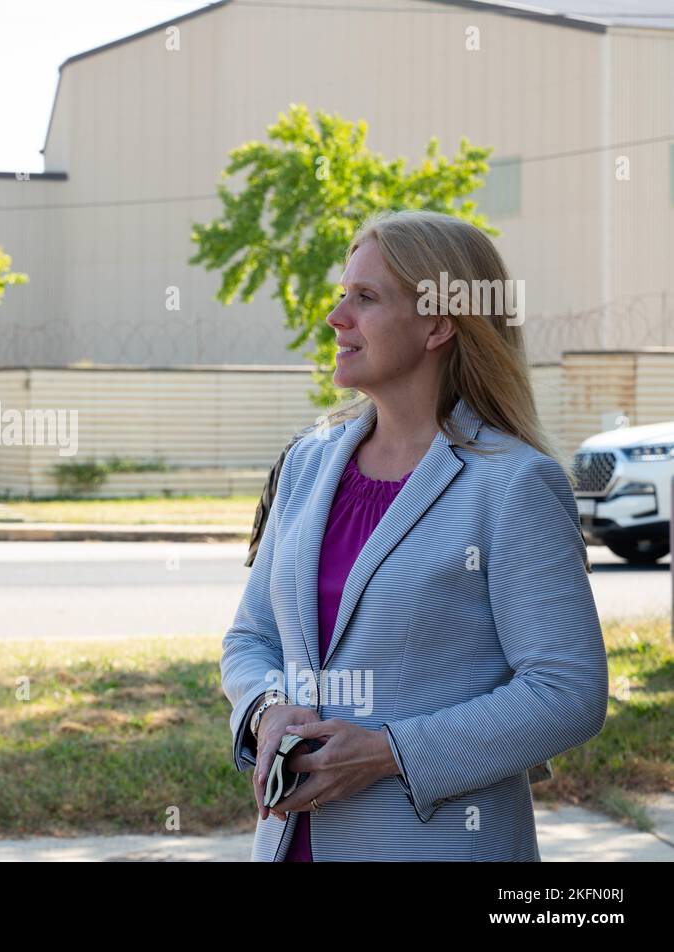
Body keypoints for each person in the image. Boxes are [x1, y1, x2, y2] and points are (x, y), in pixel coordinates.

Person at [222, 209, 609, 861]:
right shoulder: (306, 465)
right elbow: (252, 636)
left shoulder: (513, 483)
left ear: (437, 323)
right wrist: (266, 709)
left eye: (366, 298)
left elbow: (567, 690)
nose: (336, 317)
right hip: (289, 846)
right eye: (342, 295)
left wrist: (386, 753)